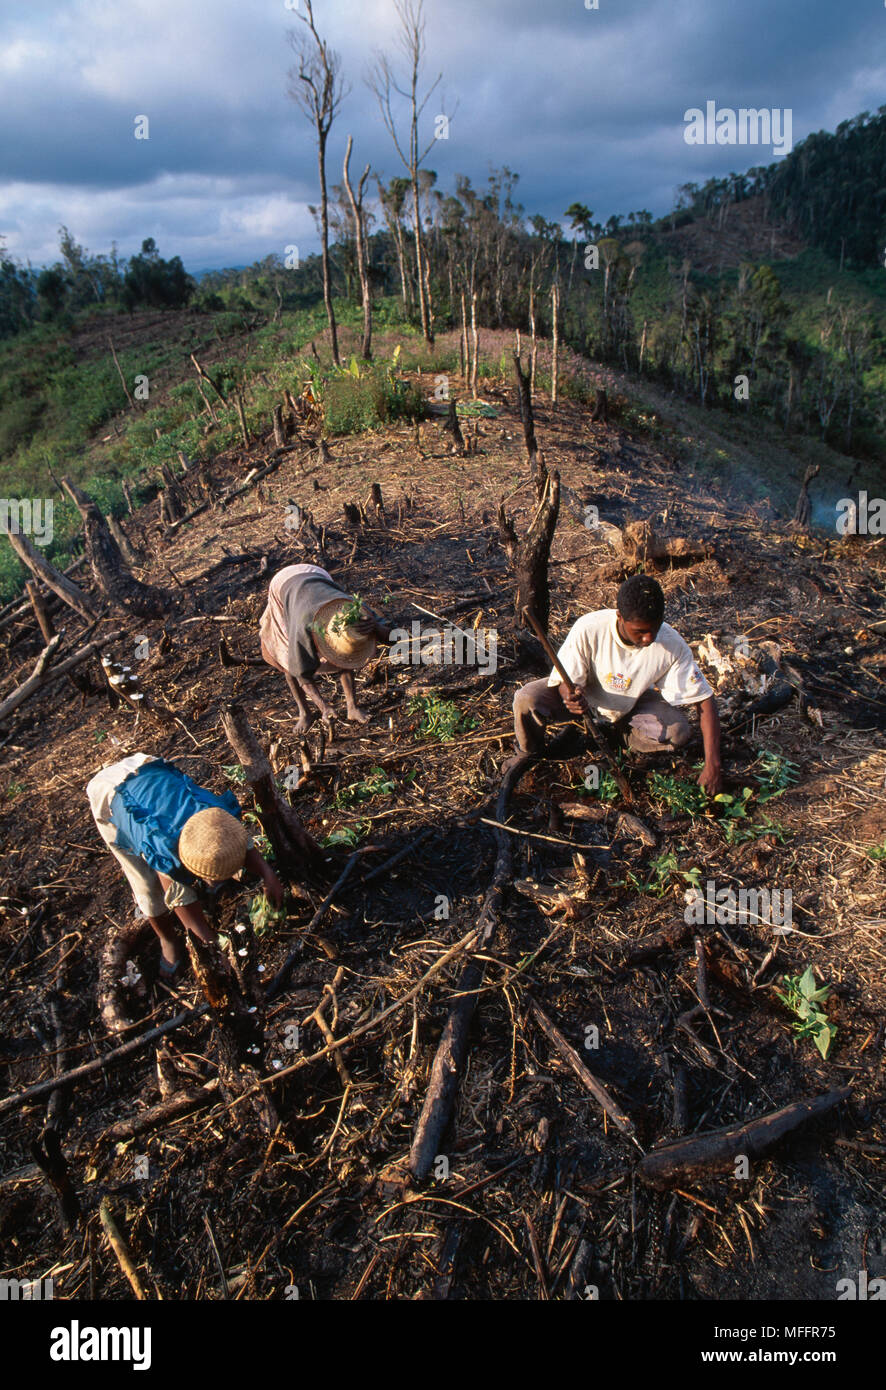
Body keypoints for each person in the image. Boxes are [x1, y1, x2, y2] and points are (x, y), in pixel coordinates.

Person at [512, 575, 723, 795]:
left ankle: (620, 736)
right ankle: (529, 753)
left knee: (678, 732)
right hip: (586, 697)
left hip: (630, 706)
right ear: (620, 617)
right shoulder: (590, 628)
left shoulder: (671, 645)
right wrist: (569, 696)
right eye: (640, 632)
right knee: (526, 700)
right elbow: (566, 681)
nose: (649, 638)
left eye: (655, 628)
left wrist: (713, 765)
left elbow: (704, 701)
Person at [87, 753, 284, 978]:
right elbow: (189, 914)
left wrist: (269, 876)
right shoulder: (165, 853)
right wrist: (213, 949)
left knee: (217, 850)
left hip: (146, 767)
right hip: (114, 797)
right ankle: (168, 939)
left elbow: (240, 841)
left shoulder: (217, 816)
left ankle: (212, 879)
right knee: (146, 884)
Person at [259, 562, 390, 732]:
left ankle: (352, 707)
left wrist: (375, 626)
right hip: (284, 584)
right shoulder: (303, 627)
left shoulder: (354, 609)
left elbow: (394, 636)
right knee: (287, 659)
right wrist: (324, 707)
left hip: (318, 575)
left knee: (345, 648)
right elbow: (301, 673)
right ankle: (304, 712)